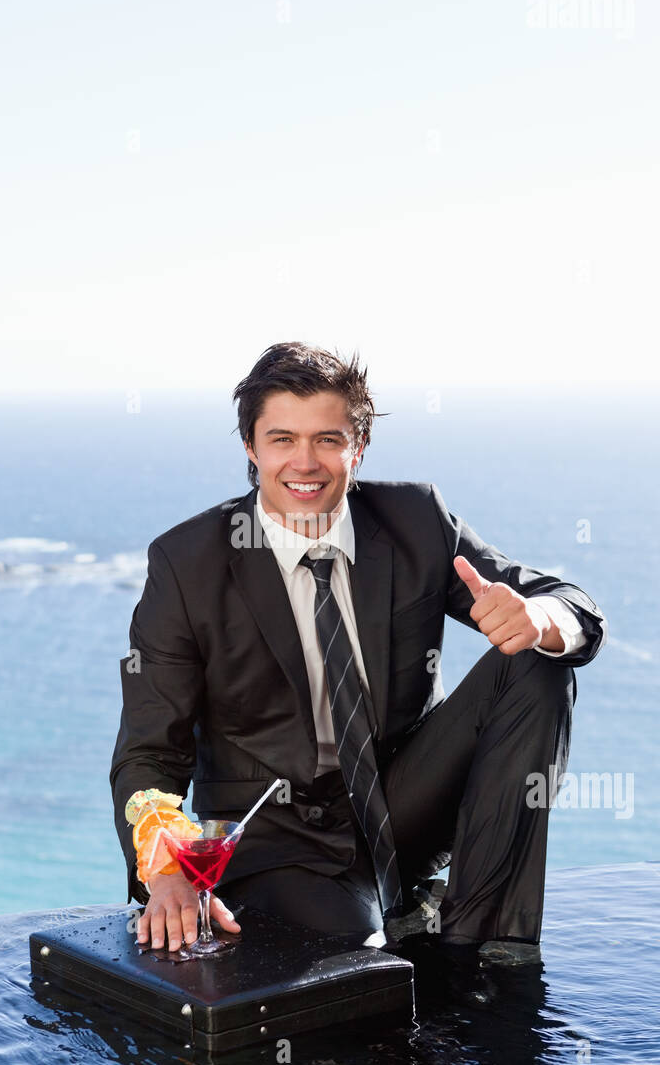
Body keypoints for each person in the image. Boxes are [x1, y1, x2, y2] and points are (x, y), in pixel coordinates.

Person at [110, 343, 607, 961]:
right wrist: (165, 874)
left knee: (537, 662)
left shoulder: (415, 519)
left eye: (328, 439)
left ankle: (484, 944)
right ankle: (389, 920)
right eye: (283, 439)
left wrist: (539, 617)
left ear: (358, 447)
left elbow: (563, 598)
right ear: (251, 448)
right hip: (278, 837)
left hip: (403, 802)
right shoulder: (187, 563)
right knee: (357, 969)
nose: (305, 461)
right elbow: (149, 751)